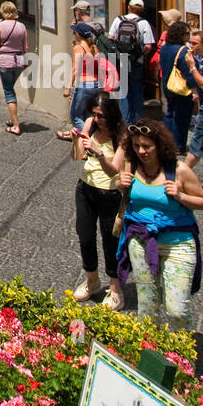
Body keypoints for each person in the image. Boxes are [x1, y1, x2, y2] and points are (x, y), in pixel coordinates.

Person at [114, 120, 203, 329]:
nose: (141, 151)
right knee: (147, 307)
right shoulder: (130, 165)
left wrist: (180, 196)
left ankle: (182, 345)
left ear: (160, 145)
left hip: (178, 243)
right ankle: (150, 346)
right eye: (137, 145)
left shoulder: (179, 170)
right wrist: (120, 184)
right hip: (140, 240)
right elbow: (122, 189)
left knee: (177, 310)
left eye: (147, 146)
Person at [70, 91, 125, 309]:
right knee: (85, 235)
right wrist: (77, 141)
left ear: (111, 113)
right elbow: (78, 157)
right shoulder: (90, 124)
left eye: (101, 115)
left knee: (110, 241)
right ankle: (92, 280)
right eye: (94, 114)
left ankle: (115, 289)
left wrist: (99, 153)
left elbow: (114, 170)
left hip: (109, 193)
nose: (97, 119)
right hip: (85, 187)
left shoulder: (122, 135)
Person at [109, 0, 155, 124]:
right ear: (141, 10)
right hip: (137, 62)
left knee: (123, 92)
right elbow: (148, 46)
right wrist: (139, 54)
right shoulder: (144, 23)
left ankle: (125, 122)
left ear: (128, 7)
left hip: (122, 61)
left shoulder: (118, 20)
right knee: (136, 92)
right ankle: (138, 122)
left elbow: (111, 38)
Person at [157, 19, 197, 154]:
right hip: (181, 87)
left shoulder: (164, 48)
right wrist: (194, 89)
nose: (189, 36)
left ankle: (168, 143)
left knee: (169, 114)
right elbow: (188, 72)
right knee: (182, 117)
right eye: (187, 33)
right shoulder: (183, 50)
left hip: (168, 85)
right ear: (181, 34)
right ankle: (178, 146)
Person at [0, 1, 27, 136]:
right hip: (19, 61)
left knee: (8, 92)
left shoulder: (0, 26)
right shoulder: (22, 26)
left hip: (5, 61)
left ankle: (16, 125)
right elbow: (25, 47)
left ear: (3, 12)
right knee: (10, 89)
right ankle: (13, 119)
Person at [185, 30, 203, 173]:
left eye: (195, 43)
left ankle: (180, 176)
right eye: (190, 42)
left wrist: (192, 67)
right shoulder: (200, 58)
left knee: (196, 145)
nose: (191, 46)